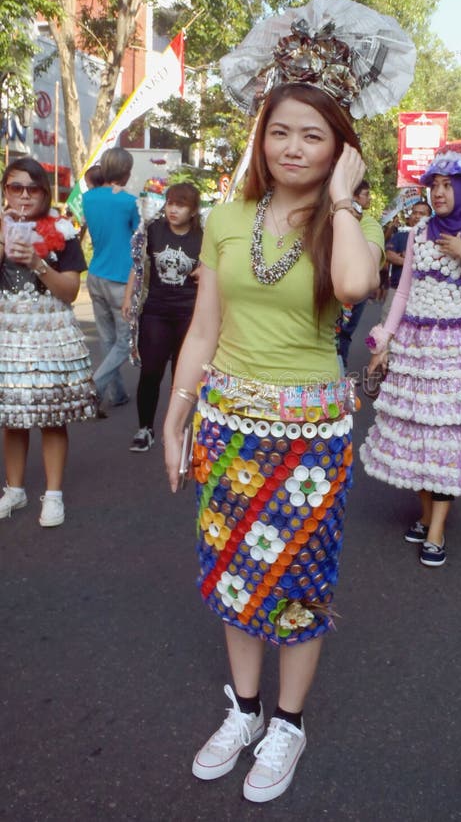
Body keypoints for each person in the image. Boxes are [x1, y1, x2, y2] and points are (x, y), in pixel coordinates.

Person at [163, 82, 383, 802]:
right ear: (260, 139)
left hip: (312, 441)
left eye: (312, 136)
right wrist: (177, 414)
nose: (291, 147)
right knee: (234, 573)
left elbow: (353, 287)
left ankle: (288, 723)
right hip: (228, 426)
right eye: (278, 132)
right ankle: (245, 711)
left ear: (341, 147)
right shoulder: (226, 219)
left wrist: (344, 199)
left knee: (298, 581)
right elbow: (204, 327)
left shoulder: (357, 225)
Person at [360, 144, 461, 568]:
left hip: (456, 355)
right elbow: (403, 292)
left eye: (447, 185)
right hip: (413, 352)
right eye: (434, 185)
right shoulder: (420, 232)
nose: (438, 193)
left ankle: (436, 531)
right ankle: (425, 515)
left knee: (446, 439)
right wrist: (384, 338)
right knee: (418, 438)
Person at [0, 158, 97, 526]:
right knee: (12, 416)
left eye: (33, 188)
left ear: (45, 192)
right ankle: (15, 489)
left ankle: (53, 494)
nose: (24, 195)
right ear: (5, 191)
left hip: (49, 332)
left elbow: (71, 292)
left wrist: (39, 263)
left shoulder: (62, 230)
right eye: (15, 187)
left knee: (53, 415)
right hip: (8, 333)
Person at [121, 183, 203, 452]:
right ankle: (145, 429)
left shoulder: (202, 236)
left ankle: (176, 429)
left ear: (192, 211)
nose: (173, 210)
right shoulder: (154, 230)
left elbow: (217, 267)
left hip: (190, 315)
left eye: (180, 205)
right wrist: (128, 298)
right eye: (170, 203)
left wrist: (206, 270)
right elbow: (137, 265)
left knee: (184, 377)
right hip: (156, 311)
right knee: (151, 372)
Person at [82, 147, 140, 412]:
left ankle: (115, 394)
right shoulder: (128, 203)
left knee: (108, 339)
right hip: (120, 279)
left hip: (95, 274)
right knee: (125, 341)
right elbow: (140, 236)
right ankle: (93, 386)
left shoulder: (88, 198)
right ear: (125, 172)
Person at [335, 179, 376, 369]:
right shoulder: (331, 216)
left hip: (351, 295)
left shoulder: (369, 224)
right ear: (354, 196)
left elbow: (362, 279)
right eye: (366, 194)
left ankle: (342, 369)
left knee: (344, 334)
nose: (369, 198)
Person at [380, 198, 431, 322]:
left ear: (430, 217)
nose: (417, 216)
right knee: (387, 325)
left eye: (421, 214)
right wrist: (413, 262)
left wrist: (404, 258)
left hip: (423, 294)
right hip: (396, 290)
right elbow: (389, 255)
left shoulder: (435, 239)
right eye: (414, 213)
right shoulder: (400, 236)